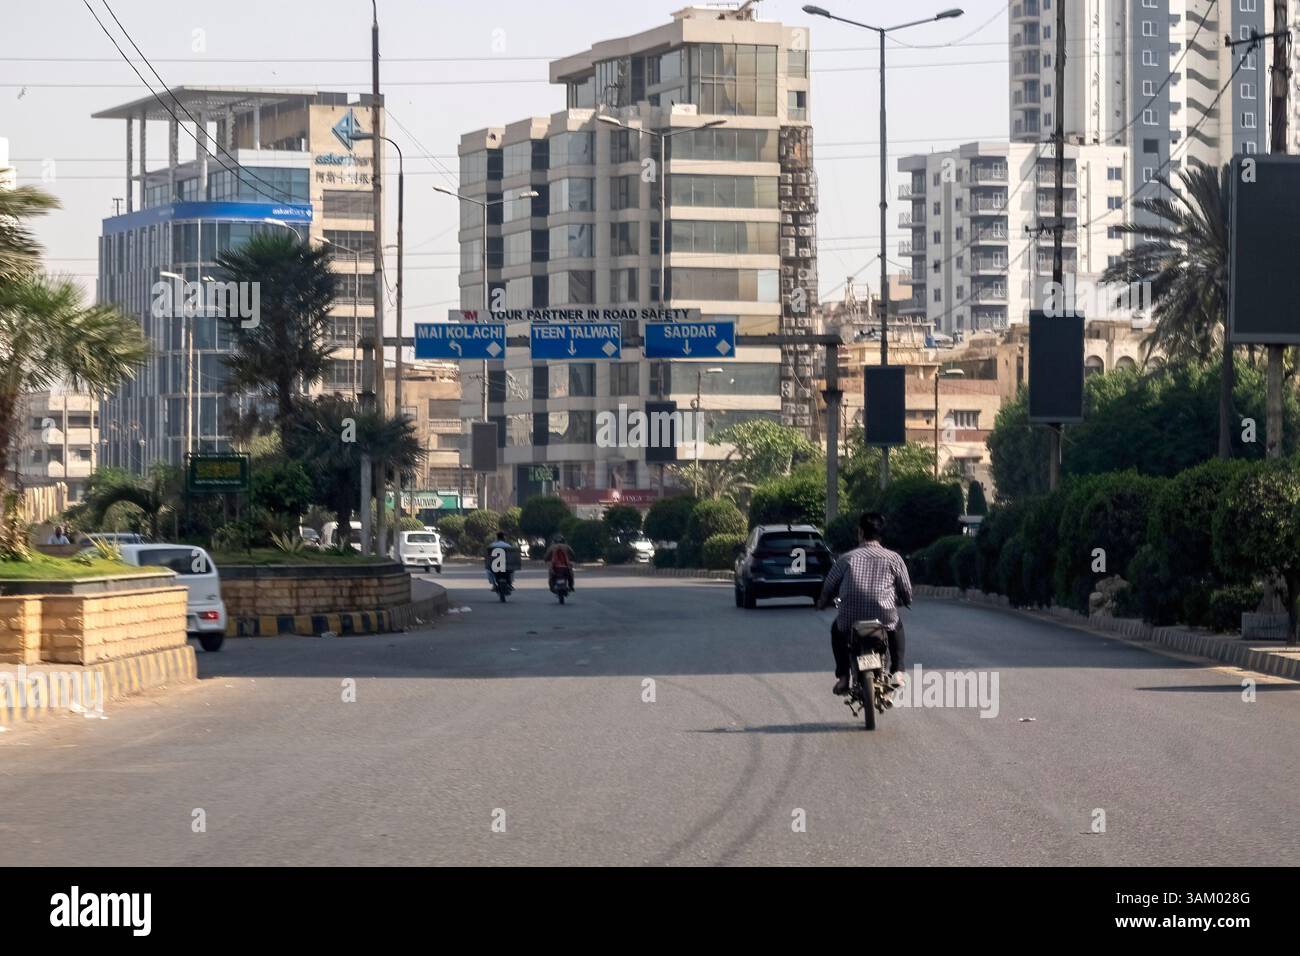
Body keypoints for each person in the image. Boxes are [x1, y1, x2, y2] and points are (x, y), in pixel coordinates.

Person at [816, 512, 912, 697]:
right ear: (881, 534)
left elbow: (829, 585)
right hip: (884, 615)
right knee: (896, 627)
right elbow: (906, 589)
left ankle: (843, 677)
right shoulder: (893, 558)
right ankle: (898, 671)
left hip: (850, 616)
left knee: (837, 631)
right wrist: (905, 600)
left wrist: (822, 601)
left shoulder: (846, 558)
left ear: (860, 533)